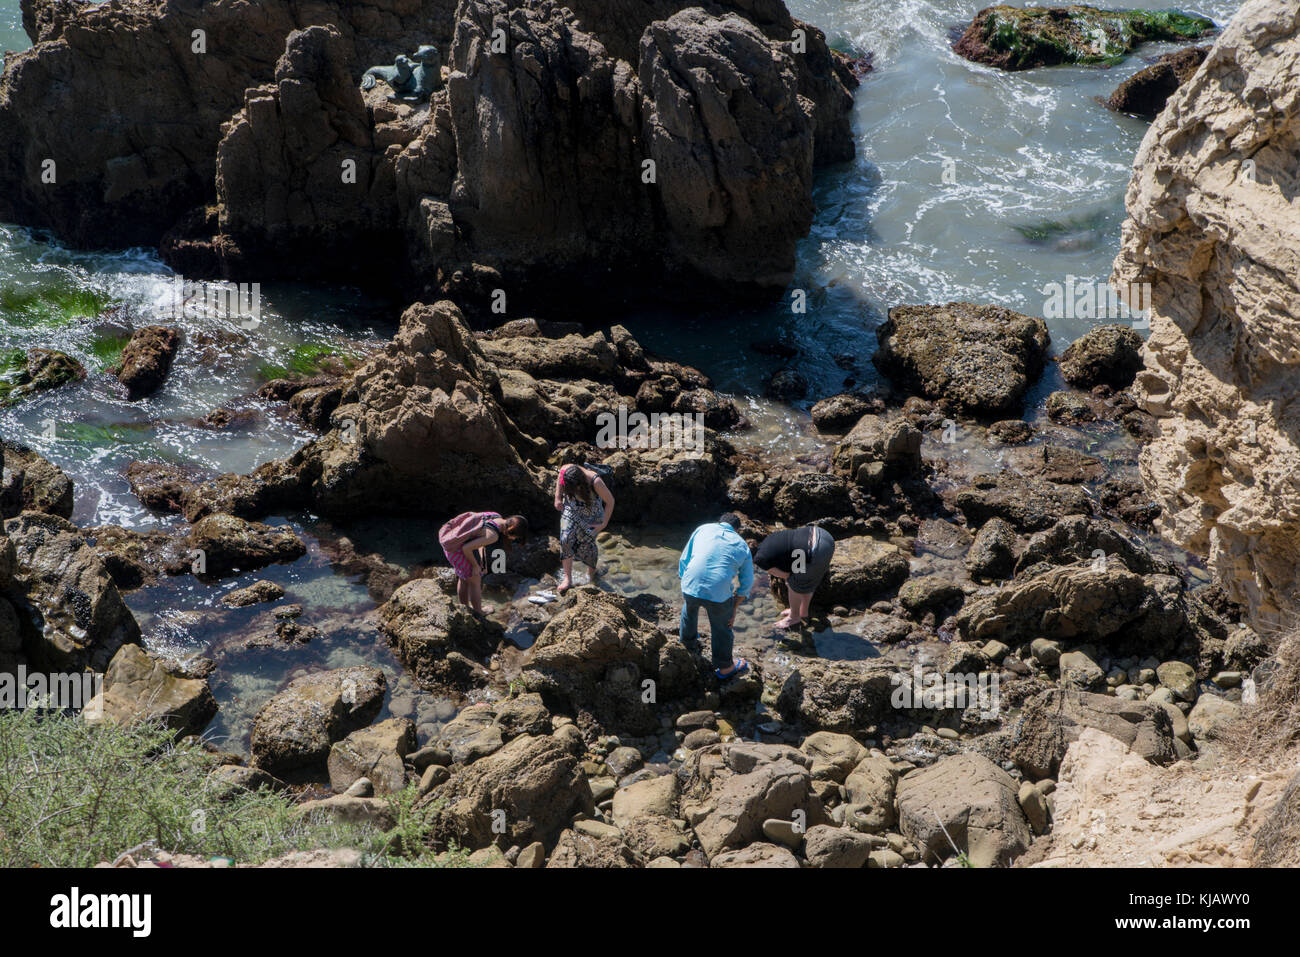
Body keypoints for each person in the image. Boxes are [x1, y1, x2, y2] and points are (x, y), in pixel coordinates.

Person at [678, 513, 754, 680]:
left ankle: (687, 643)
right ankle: (726, 667)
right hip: (718, 594)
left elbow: (685, 558)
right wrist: (734, 607)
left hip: (690, 584)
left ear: (719, 523)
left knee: (689, 610)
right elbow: (747, 582)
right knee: (722, 628)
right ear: (737, 530)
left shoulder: (702, 529)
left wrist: (684, 579)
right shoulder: (742, 545)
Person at [438, 511, 529, 616]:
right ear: (511, 531)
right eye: (516, 538)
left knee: (463, 578)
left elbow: (478, 540)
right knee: (475, 581)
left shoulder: (494, 516)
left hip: (452, 543)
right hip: (457, 551)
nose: (514, 540)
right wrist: (475, 566)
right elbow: (466, 548)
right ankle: (479, 612)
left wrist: (483, 562)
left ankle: (465, 608)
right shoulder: (493, 535)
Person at [753, 524, 836, 630]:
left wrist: (791, 581)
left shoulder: (759, 559)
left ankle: (794, 617)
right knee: (809, 579)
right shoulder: (767, 541)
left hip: (816, 550)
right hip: (822, 535)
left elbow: (786, 576)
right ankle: (803, 611)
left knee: (793, 584)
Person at [554, 463, 615, 594]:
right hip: (571, 508)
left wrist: (603, 524)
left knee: (587, 544)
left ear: (580, 484)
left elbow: (610, 501)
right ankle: (567, 579)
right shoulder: (566, 470)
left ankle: (591, 574)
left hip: (592, 513)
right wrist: (558, 497)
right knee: (565, 539)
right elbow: (560, 477)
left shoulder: (595, 481)